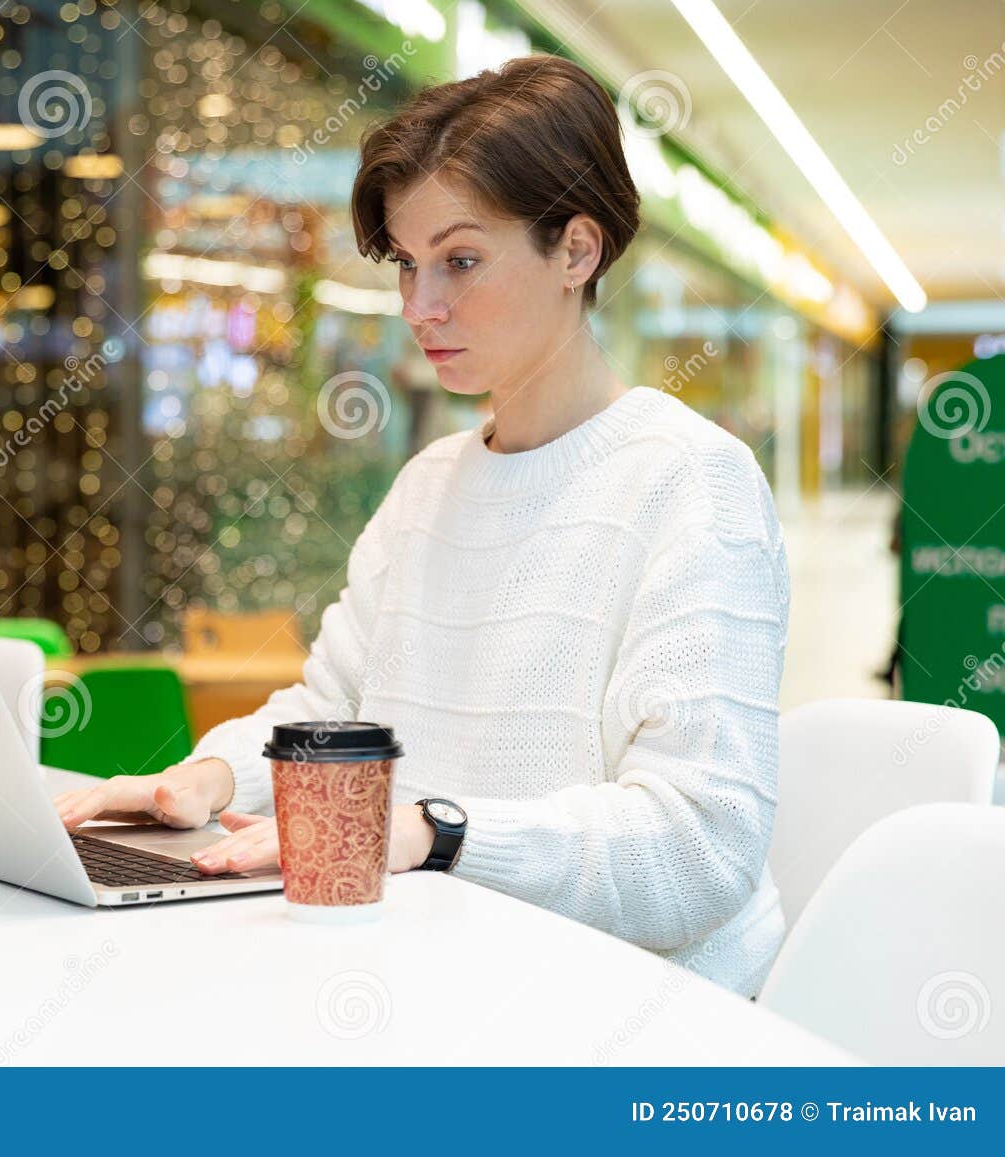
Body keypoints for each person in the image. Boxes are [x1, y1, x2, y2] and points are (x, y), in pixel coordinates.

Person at [54, 55, 791, 997]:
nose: (419, 306)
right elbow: (333, 714)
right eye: (407, 263)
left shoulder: (692, 483)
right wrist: (206, 779)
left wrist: (433, 832)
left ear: (577, 251)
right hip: (443, 970)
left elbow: (699, 845)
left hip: (638, 1014)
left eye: (461, 261)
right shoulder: (430, 484)